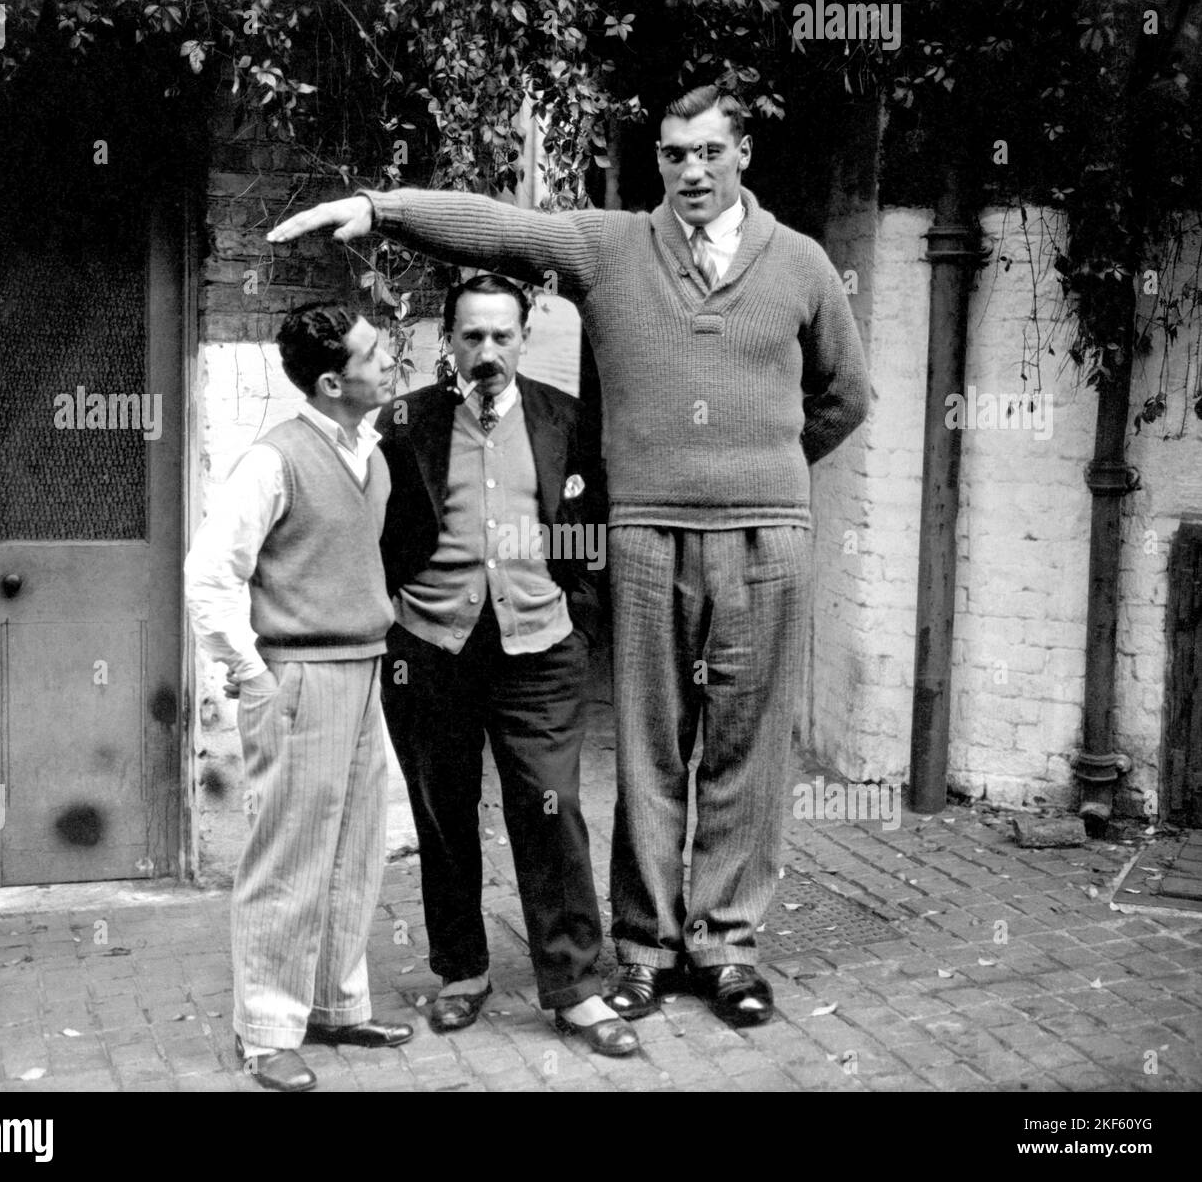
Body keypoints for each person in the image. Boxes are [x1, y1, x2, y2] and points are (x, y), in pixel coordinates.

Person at [267, 85, 871, 1028]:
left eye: (710, 151)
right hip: (642, 536)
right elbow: (502, 230)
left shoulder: (801, 265)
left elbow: (845, 396)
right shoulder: (614, 248)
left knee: (749, 751)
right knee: (647, 744)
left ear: (743, 152)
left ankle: (728, 945)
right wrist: (384, 210)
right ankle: (644, 946)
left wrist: (766, 472)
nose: (691, 171)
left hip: (767, 538)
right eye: (674, 153)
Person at [376, 273, 635, 1057]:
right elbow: (373, 526)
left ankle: (575, 985)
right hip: (431, 643)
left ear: (524, 338)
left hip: (541, 645)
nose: (487, 352)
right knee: (442, 808)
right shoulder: (405, 422)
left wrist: (580, 618)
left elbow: (592, 529)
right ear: (445, 341)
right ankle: (461, 970)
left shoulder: (567, 419)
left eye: (502, 336)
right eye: (471, 336)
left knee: (552, 803)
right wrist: (391, 612)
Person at [185, 303, 414, 1091]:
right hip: (295, 677)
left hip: (361, 668)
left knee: (354, 843)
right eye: (373, 353)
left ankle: (337, 1005)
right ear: (329, 381)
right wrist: (251, 674)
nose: (389, 359)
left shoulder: (372, 453)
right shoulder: (275, 460)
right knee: (287, 852)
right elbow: (210, 576)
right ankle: (266, 1032)